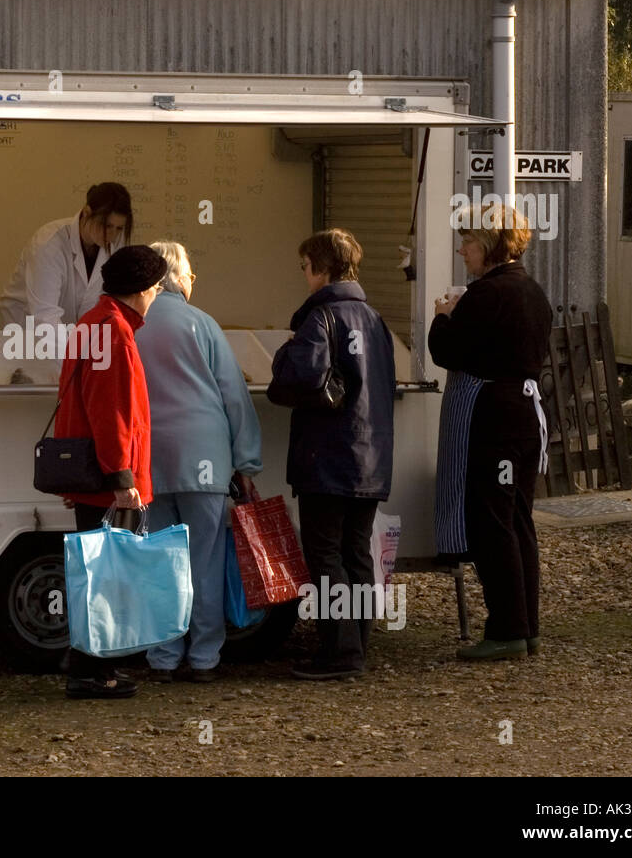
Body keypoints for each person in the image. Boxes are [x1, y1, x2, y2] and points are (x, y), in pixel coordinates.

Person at [268, 228, 394, 681]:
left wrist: (284, 348)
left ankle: (339, 652)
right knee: (357, 552)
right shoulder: (375, 319)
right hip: (371, 457)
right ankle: (356, 644)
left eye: (305, 267)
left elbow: (293, 377)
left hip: (327, 457)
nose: (304, 275)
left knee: (323, 554)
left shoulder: (320, 317)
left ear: (321, 268)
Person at [134, 241, 262, 683]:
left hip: (149, 461)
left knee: (160, 559)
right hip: (205, 458)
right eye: (191, 275)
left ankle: (164, 656)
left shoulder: (132, 325)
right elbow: (234, 397)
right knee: (204, 558)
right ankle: (205, 659)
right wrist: (246, 461)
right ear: (179, 277)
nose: (193, 283)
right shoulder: (203, 324)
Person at [429, 202, 552, 661]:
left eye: (469, 242)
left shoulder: (486, 295)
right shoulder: (533, 291)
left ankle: (506, 628)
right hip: (525, 413)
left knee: (491, 521)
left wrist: (443, 314)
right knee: (519, 519)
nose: (462, 250)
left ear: (490, 245)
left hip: (492, 416)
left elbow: (448, 351)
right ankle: (527, 626)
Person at [56, 244, 168, 699]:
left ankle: (89, 663)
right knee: (107, 575)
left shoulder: (90, 325)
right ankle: (90, 670)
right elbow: (112, 412)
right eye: (158, 287)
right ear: (142, 289)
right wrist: (123, 478)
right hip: (109, 480)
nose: (158, 294)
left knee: (95, 572)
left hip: (89, 474)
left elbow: (75, 402)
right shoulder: (116, 333)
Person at [0, 182, 132, 332]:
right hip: (21, 332)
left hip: (64, 335)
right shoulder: (49, 243)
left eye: (119, 228)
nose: (112, 235)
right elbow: (45, 316)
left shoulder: (112, 248)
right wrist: (72, 353)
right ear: (87, 213)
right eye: (106, 226)